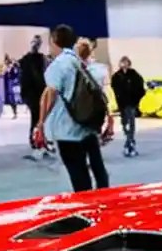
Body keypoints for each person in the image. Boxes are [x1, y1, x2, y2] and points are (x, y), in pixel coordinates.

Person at [35, 24, 111, 192]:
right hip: (86, 126)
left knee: (78, 175)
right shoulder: (78, 62)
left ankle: (87, 208)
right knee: (94, 170)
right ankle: (100, 202)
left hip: (67, 130)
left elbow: (51, 94)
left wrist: (41, 123)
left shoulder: (59, 64)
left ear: (55, 41)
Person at [110, 56, 145, 157]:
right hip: (122, 104)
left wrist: (136, 99)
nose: (124, 64)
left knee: (131, 123)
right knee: (125, 124)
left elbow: (141, 88)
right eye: (122, 62)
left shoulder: (134, 75)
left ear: (129, 63)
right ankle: (130, 142)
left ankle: (129, 144)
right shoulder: (117, 76)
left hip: (131, 104)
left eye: (125, 62)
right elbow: (115, 88)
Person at [19, 36, 48, 159]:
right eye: (35, 42)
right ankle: (37, 140)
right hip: (32, 93)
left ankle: (39, 139)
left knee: (39, 117)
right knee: (36, 116)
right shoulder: (27, 60)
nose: (36, 44)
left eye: (38, 43)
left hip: (38, 92)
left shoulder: (40, 59)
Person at [3, 54, 19, 119]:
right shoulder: (7, 69)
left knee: (13, 99)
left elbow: (16, 75)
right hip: (9, 85)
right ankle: (14, 112)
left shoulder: (13, 67)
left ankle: (15, 113)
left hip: (12, 85)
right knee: (10, 99)